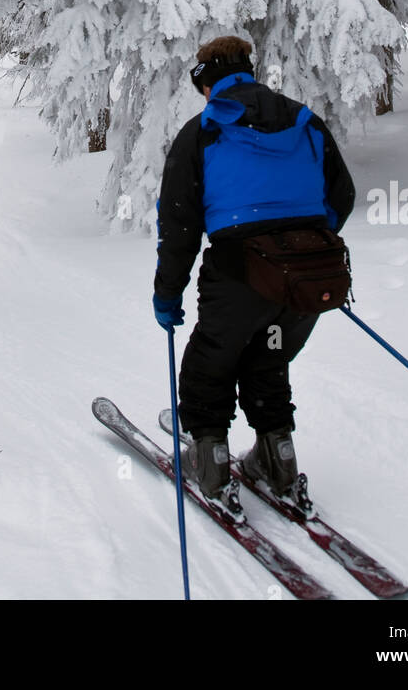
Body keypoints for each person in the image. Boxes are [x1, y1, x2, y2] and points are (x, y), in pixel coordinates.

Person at [152, 35, 355, 512]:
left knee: (211, 361)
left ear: (206, 81)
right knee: (268, 356)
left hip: (239, 270)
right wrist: (300, 242)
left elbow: (179, 224)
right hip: (308, 277)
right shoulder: (304, 119)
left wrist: (167, 295)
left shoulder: (202, 130)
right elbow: (341, 195)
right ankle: (277, 459)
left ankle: (213, 465)